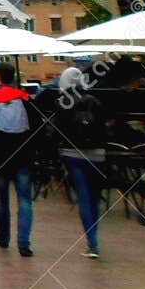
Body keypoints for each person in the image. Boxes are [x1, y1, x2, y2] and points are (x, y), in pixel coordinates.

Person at [0, 63, 44, 257]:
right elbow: (37, 128)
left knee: (1, 198)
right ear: (13, 76)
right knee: (24, 199)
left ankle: (3, 237)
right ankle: (24, 243)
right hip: (22, 155)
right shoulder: (24, 98)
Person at [58, 69, 107, 259]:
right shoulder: (95, 101)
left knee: (84, 197)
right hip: (97, 155)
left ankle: (92, 242)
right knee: (94, 198)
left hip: (72, 155)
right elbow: (105, 126)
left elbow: (57, 130)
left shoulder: (63, 103)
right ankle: (94, 238)